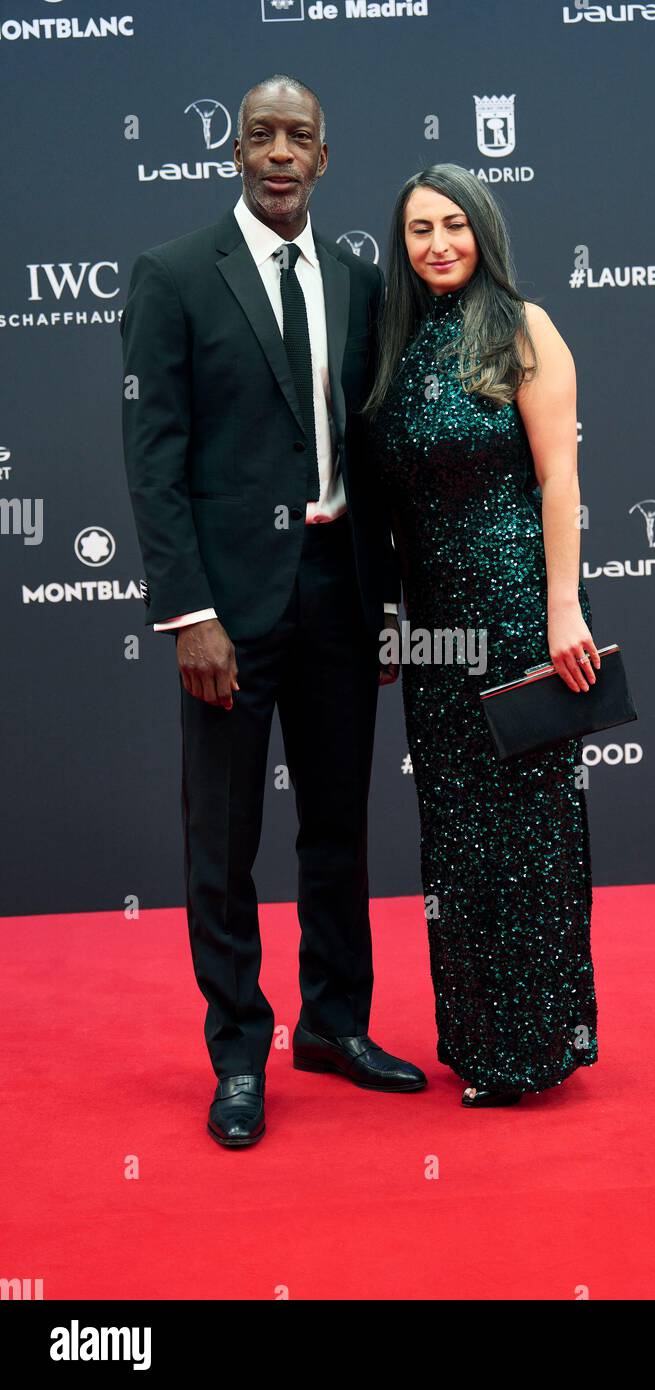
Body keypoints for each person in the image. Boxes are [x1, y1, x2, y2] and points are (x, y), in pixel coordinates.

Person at [120, 74, 425, 1149]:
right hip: (227, 609)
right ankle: (239, 1051)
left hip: (340, 594)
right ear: (235, 152)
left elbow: (375, 456)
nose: (280, 152)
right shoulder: (172, 279)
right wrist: (186, 611)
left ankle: (335, 1024)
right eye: (262, 135)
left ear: (324, 157)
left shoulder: (356, 278)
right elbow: (153, 460)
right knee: (226, 838)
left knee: (339, 828)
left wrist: (386, 600)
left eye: (300, 136)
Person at [365, 164, 600, 1108]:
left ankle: (534, 1047)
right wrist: (391, 622)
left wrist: (564, 610)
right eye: (420, 229)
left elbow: (558, 481)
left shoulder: (525, 329)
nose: (438, 245)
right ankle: (474, 1037)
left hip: (514, 617)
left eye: (455, 225)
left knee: (530, 832)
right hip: (435, 635)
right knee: (457, 837)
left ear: (484, 230)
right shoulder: (397, 343)